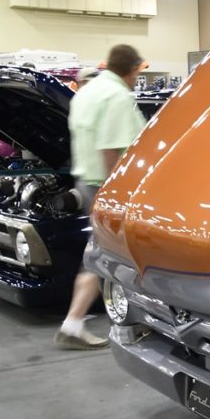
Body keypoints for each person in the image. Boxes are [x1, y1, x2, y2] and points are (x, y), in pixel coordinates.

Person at [55, 45, 147, 349]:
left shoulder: (85, 93)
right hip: (107, 187)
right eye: (138, 73)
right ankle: (75, 323)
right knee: (109, 256)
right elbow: (110, 149)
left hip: (85, 182)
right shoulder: (117, 96)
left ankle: (79, 321)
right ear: (132, 70)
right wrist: (115, 196)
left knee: (100, 254)